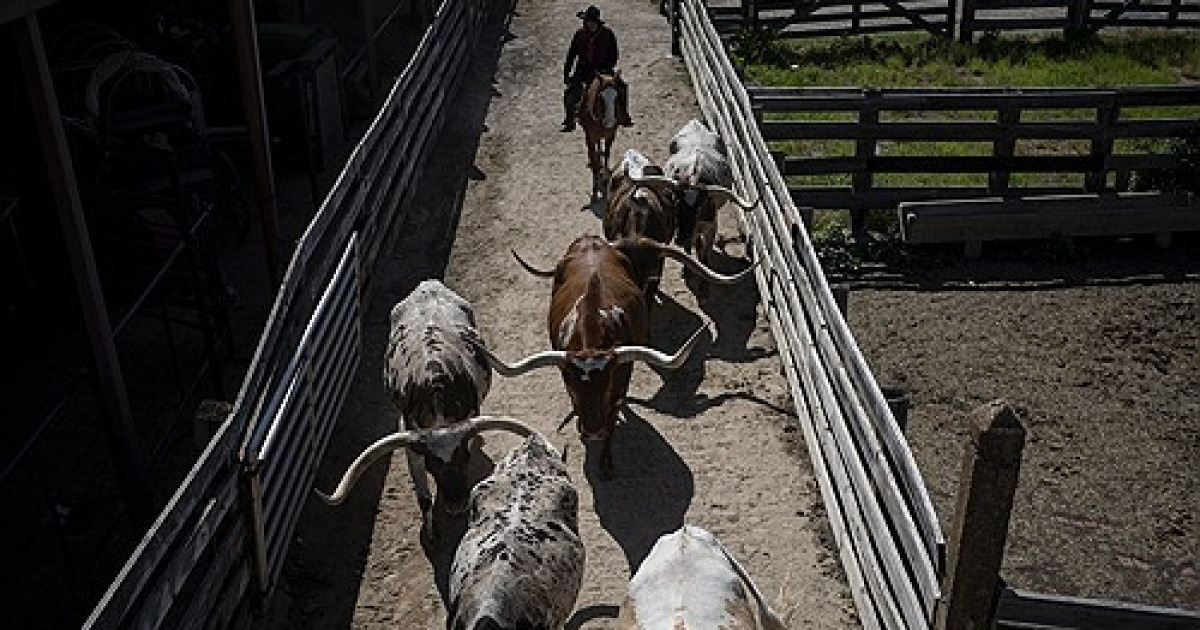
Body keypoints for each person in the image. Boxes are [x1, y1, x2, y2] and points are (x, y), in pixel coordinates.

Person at [561, 5, 633, 132]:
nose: (591, 25)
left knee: (622, 87)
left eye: (593, 22)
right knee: (571, 92)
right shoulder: (579, 34)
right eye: (589, 22)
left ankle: (624, 115)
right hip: (583, 70)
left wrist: (606, 68)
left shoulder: (608, 34)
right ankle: (570, 119)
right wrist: (566, 73)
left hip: (603, 70)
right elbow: (571, 54)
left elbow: (614, 54)